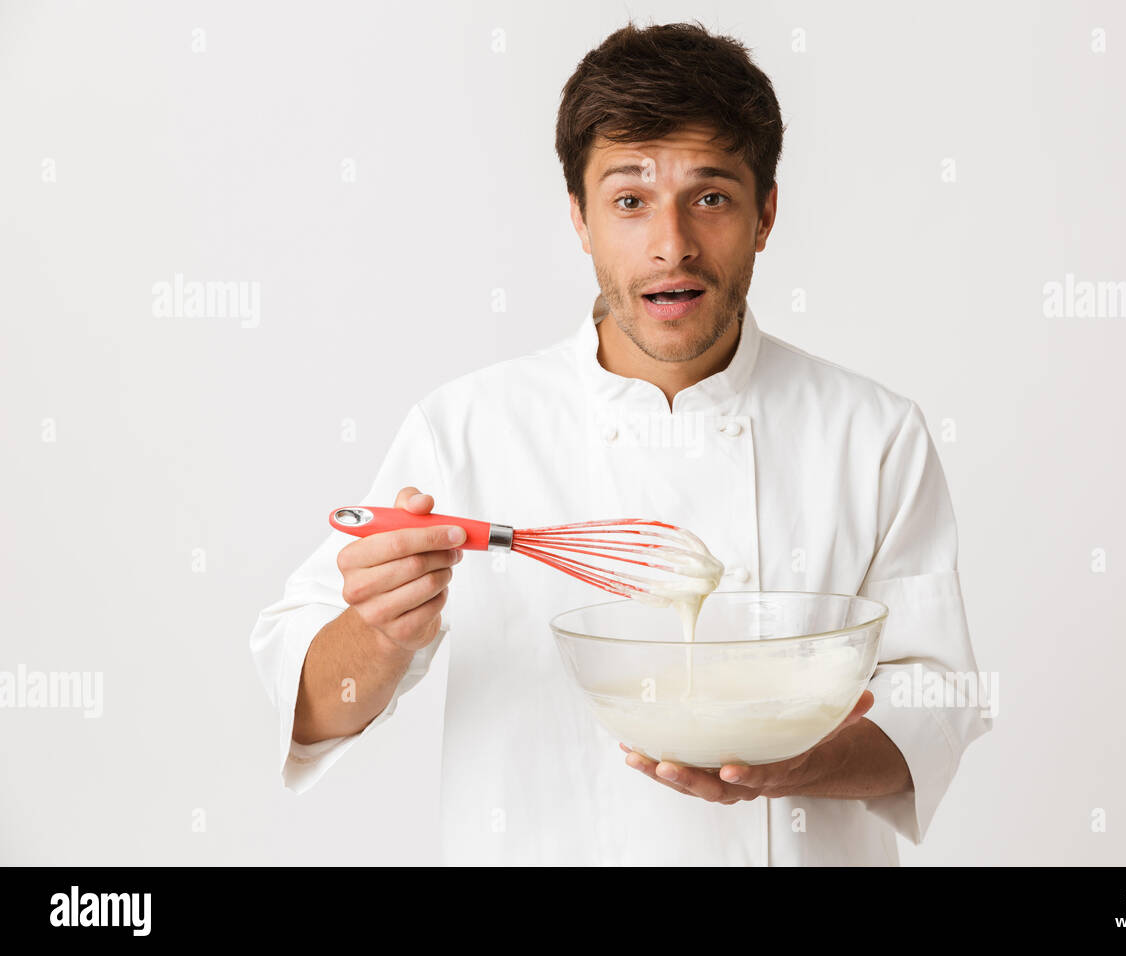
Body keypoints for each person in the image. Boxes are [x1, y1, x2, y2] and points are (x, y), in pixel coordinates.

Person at [249, 19, 991, 865]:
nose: (671, 242)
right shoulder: (468, 430)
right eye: (630, 200)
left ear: (766, 213)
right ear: (581, 218)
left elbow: (937, 697)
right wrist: (381, 634)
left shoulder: (872, 434)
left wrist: (800, 762)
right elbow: (309, 704)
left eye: (710, 197)